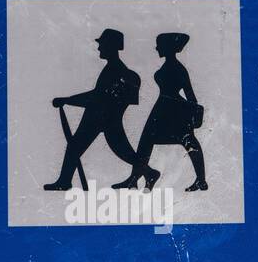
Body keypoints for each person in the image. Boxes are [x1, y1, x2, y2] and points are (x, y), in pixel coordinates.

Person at [43, 29, 155, 190]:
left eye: (102, 45)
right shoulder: (113, 67)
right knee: (119, 150)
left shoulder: (115, 68)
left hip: (100, 117)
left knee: (87, 147)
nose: (99, 48)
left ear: (110, 46)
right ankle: (65, 181)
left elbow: (97, 96)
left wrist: (67, 100)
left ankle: (64, 181)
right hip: (102, 116)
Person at [114, 32, 207, 192]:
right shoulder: (171, 66)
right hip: (163, 108)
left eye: (159, 45)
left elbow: (190, 93)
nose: (156, 48)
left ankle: (200, 180)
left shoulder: (178, 69)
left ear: (168, 47)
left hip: (171, 110)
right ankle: (136, 178)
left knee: (188, 141)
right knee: (147, 141)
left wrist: (192, 114)